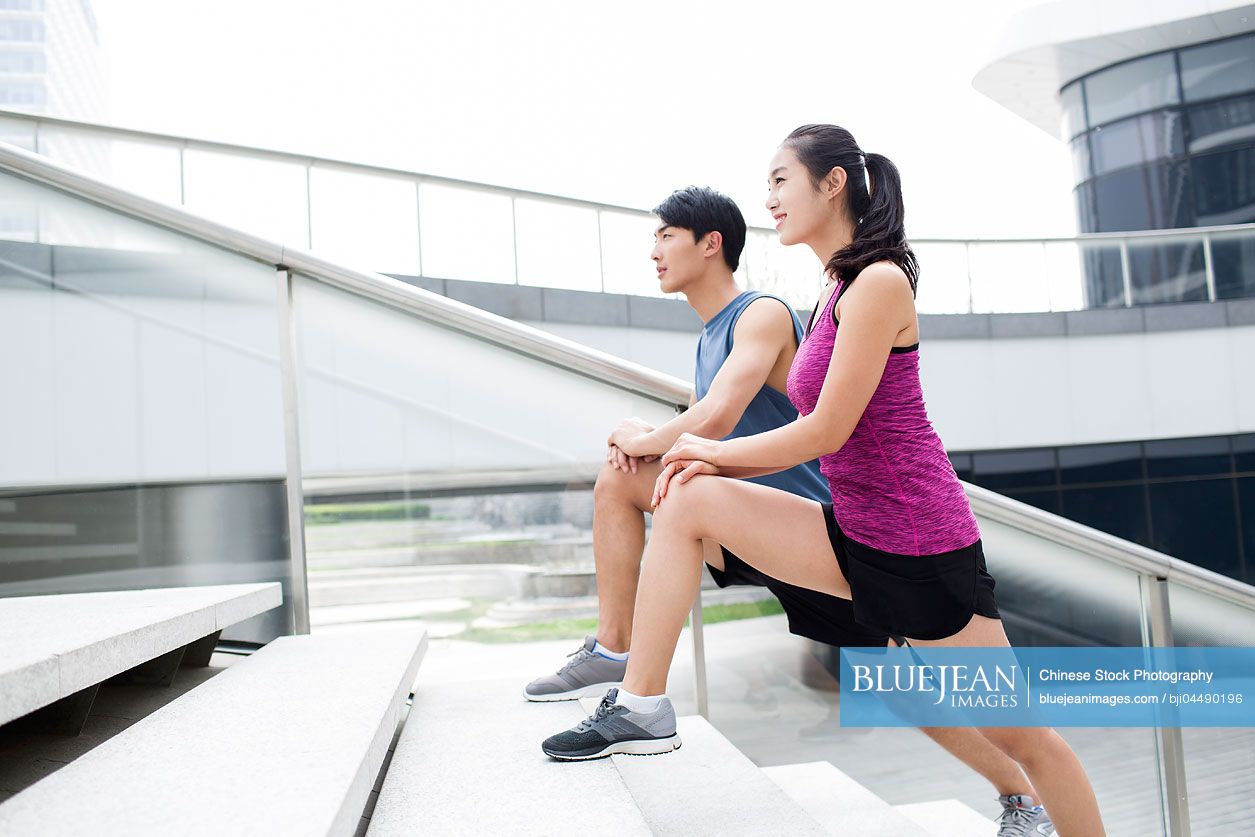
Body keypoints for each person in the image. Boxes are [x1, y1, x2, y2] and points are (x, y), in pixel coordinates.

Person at [541, 128, 1103, 837]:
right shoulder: (831, 288)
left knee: (1026, 740)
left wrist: (705, 451)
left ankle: (1030, 806)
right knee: (687, 499)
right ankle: (642, 703)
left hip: (920, 546)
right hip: (852, 529)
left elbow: (826, 431)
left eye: (780, 181)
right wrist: (698, 458)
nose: (769, 199)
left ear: (831, 183)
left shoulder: (879, 281)